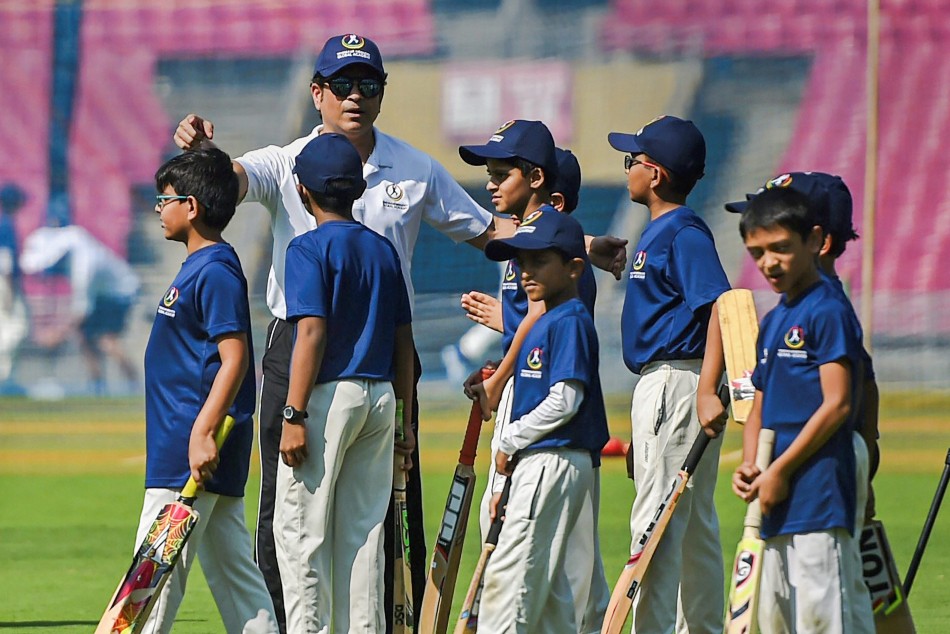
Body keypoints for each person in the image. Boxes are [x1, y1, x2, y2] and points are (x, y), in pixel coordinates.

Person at [172, 33, 626, 631]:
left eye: (368, 84)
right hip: (300, 348)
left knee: (383, 510)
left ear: (382, 94)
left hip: (385, 351)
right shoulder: (286, 161)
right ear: (316, 92)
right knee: (287, 510)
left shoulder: (413, 167)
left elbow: (487, 229)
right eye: (341, 84)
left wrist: (583, 245)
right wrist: (206, 153)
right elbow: (230, 180)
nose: (354, 96)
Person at [459, 132, 608, 630]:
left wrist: (507, 417)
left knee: (534, 574)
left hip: (548, 440)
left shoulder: (563, 300)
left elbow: (564, 393)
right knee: (554, 581)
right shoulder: (539, 264)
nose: (526, 271)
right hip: (537, 434)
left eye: (503, 174)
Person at [725, 171, 877, 631]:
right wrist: (751, 464)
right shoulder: (775, 319)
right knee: (776, 613)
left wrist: (781, 470)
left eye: (780, 248)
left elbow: (839, 403)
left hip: (819, 483)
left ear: (815, 241)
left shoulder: (827, 309)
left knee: (823, 611)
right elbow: (761, 401)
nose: (768, 263)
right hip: (776, 485)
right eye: (757, 253)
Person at [274, 133, 415, 631]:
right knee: (363, 539)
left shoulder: (307, 248)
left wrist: (293, 413)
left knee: (301, 533)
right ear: (358, 189)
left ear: (302, 190)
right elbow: (403, 340)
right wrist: (404, 419)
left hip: (328, 398)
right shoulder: (382, 250)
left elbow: (311, 332)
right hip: (380, 397)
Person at [136, 147, 277, 633]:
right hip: (194, 440)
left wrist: (201, 433)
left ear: (191, 207)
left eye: (165, 199)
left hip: (191, 446)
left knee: (153, 578)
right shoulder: (202, 264)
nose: (159, 208)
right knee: (236, 578)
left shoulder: (215, 269)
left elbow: (235, 357)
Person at [607, 115, 730, 633]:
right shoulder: (663, 231)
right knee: (691, 521)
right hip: (672, 384)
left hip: (677, 381)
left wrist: (706, 390)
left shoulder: (681, 231)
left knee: (656, 520)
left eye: (632, 160)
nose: (627, 168)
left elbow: (720, 306)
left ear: (655, 174)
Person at [19, 222, 139, 395]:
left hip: (119, 292)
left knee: (107, 341)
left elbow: (81, 309)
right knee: (84, 338)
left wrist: (58, 334)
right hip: (100, 293)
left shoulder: (84, 265)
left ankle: (133, 383)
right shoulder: (71, 250)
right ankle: (97, 387)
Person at [0, 183, 28, 389]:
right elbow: (5, 260)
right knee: (15, 328)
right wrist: (9, 290)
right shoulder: (6, 225)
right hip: (5, 282)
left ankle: (6, 378)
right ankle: (5, 379)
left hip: (5, 281)